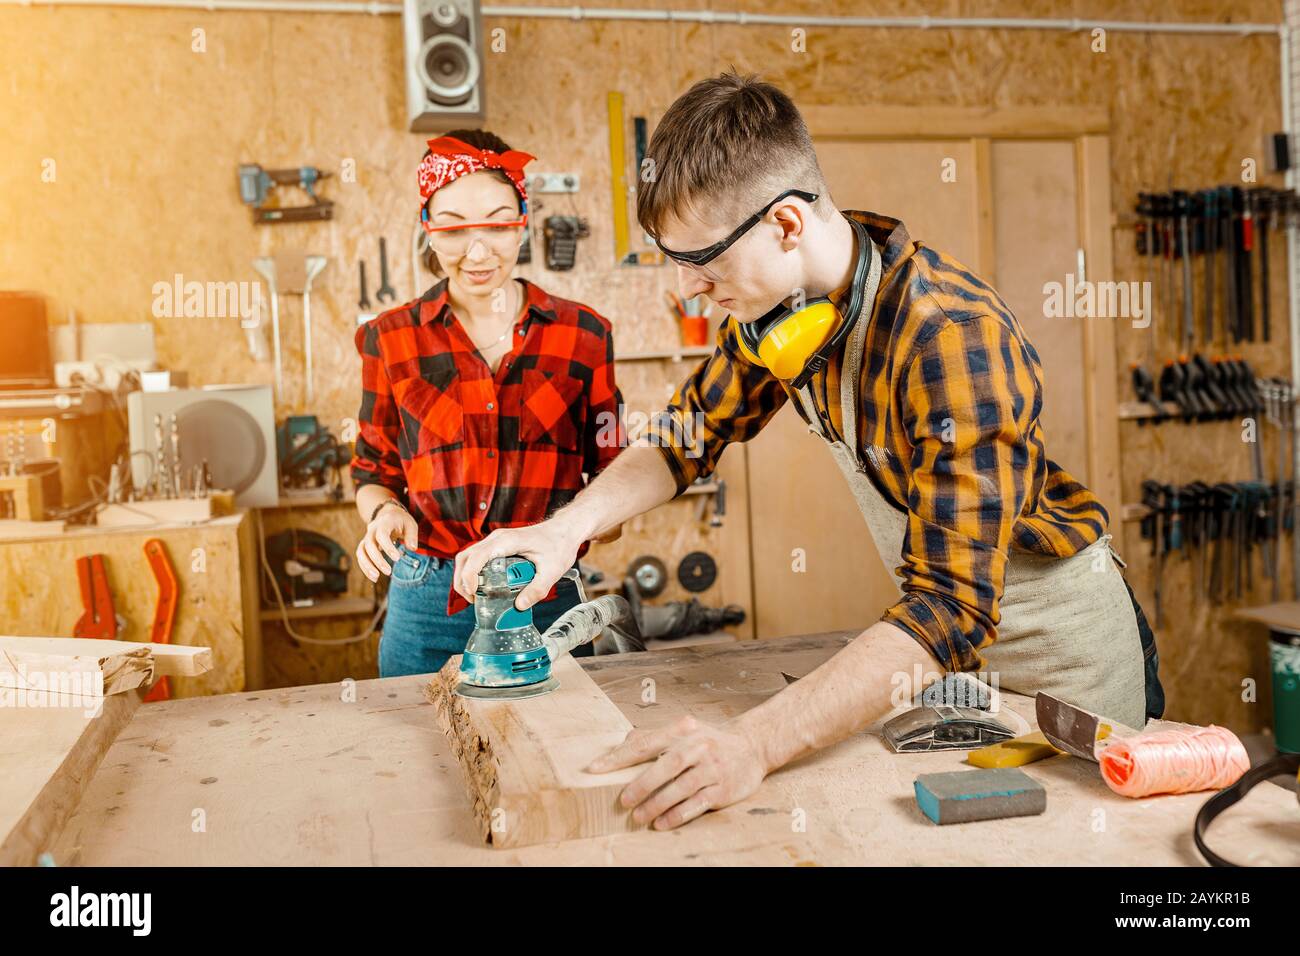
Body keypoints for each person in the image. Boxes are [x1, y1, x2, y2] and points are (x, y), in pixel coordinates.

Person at [453, 75, 1164, 830]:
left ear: (786, 224)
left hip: (1061, 665)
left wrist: (752, 741)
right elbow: (687, 439)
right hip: (957, 668)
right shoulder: (778, 310)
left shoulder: (949, 339)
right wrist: (563, 530)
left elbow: (948, 609)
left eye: (704, 262)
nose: (690, 289)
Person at [351, 129, 625, 677]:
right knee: (416, 751)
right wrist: (385, 513)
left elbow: (617, 481)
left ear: (523, 220)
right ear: (427, 227)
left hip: (543, 593)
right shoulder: (390, 338)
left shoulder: (584, 335)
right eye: (453, 229)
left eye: (498, 224)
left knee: (565, 744)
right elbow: (372, 471)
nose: (477, 252)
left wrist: (574, 527)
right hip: (426, 598)